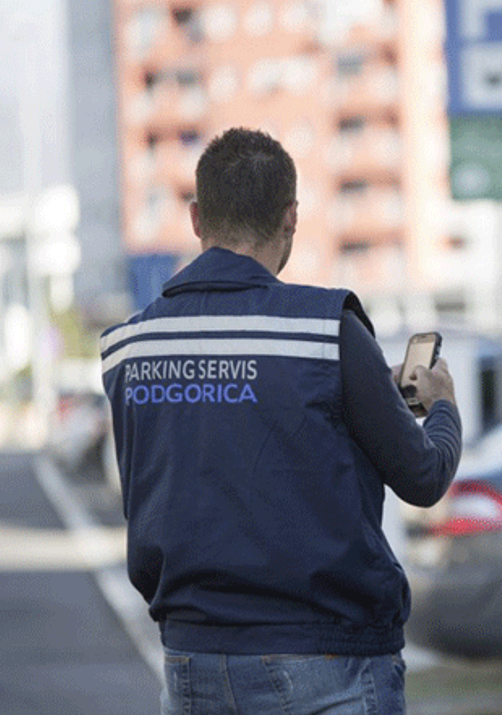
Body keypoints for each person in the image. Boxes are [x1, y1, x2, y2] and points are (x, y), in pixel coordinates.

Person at [99, 127, 462, 714]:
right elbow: (422, 477)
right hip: (325, 659)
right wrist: (440, 405)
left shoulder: (128, 347)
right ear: (291, 216)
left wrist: (364, 389)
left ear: (196, 219)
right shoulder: (324, 328)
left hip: (191, 660)